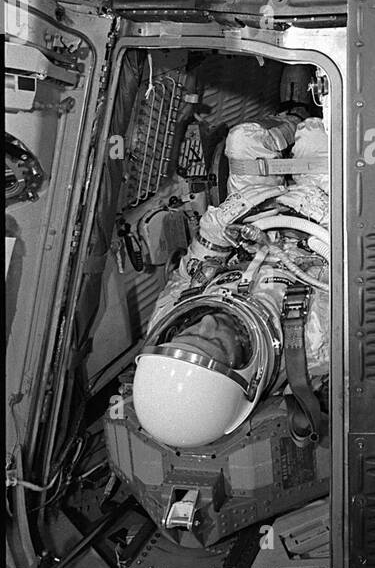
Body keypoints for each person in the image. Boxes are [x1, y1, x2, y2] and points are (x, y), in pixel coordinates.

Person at [131, 77, 330, 450]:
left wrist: (216, 230)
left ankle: (295, 114)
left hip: (250, 216)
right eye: (211, 341)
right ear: (245, 371)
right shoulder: (313, 348)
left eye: (191, 332)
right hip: (319, 218)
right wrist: (316, 213)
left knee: (242, 140)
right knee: (317, 139)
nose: (205, 322)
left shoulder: (166, 322)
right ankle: (320, 112)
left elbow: (193, 269)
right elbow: (355, 271)